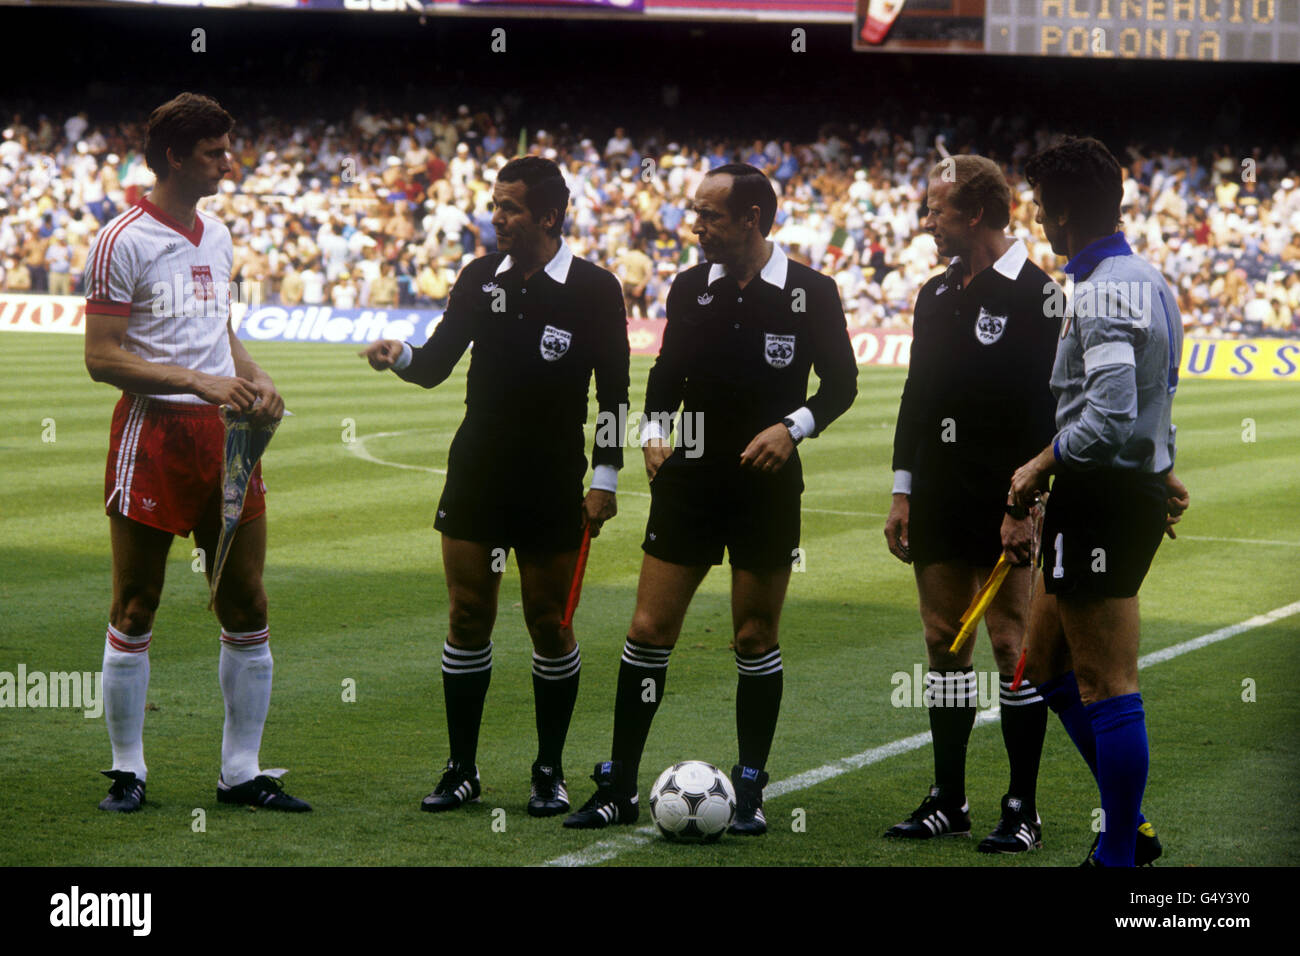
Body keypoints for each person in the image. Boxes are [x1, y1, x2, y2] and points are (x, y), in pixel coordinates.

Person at [564, 163, 858, 834]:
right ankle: (618, 784)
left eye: (710, 215)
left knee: (754, 638)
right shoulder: (690, 286)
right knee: (647, 631)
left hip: (766, 487)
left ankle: (750, 787)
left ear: (752, 219)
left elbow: (841, 386)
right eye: (695, 212)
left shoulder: (812, 292)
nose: (694, 225)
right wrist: (656, 429)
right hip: (690, 482)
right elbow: (666, 374)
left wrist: (793, 428)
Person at [362, 156, 629, 817]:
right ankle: (461, 769)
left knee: (548, 623)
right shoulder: (481, 278)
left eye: (509, 207)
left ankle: (548, 770)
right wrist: (401, 358)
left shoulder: (595, 288)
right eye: (494, 204)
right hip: (478, 471)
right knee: (467, 618)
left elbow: (616, 392)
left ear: (547, 214)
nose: (496, 216)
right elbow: (435, 368)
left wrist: (606, 475)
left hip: (550, 479)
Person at [82, 92, 308, 813]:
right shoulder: (122, 240)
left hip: (227, 440)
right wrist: (196, 381)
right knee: (137, 602)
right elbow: (101, 356)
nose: (227, 162)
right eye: (214, 152)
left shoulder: (219, 233)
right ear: (176, 155)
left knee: (245, 599)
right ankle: (127, 771)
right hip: (154, 433)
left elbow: (222, 331)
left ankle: (240, 774)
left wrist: (255, 376)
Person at [1012, 136, 1189, 867]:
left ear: (1059, 215)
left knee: (1102, 680)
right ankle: (1130, 827)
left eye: (1042, 209)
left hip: (1103, 498)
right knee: (1042, 665)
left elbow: (1112, 412)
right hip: (1118, 487)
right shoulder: (1141, 276)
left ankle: (1119, 853)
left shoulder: (1109, 287)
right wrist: (1162, 463)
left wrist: (1038, 463)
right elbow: (1146, 400)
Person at [883, 155, 1060, 852]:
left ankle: (1022, 806)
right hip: (938, 491)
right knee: (942, 638)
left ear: (977, 214)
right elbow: (917, 399)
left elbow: (1048, 409)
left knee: (1010, 642)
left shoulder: (1038, 294)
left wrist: (1025, 504)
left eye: (938, 210)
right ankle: (948, 799)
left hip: (1006, 497)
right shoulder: (934, 294)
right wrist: (902, 490)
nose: (928, 222)